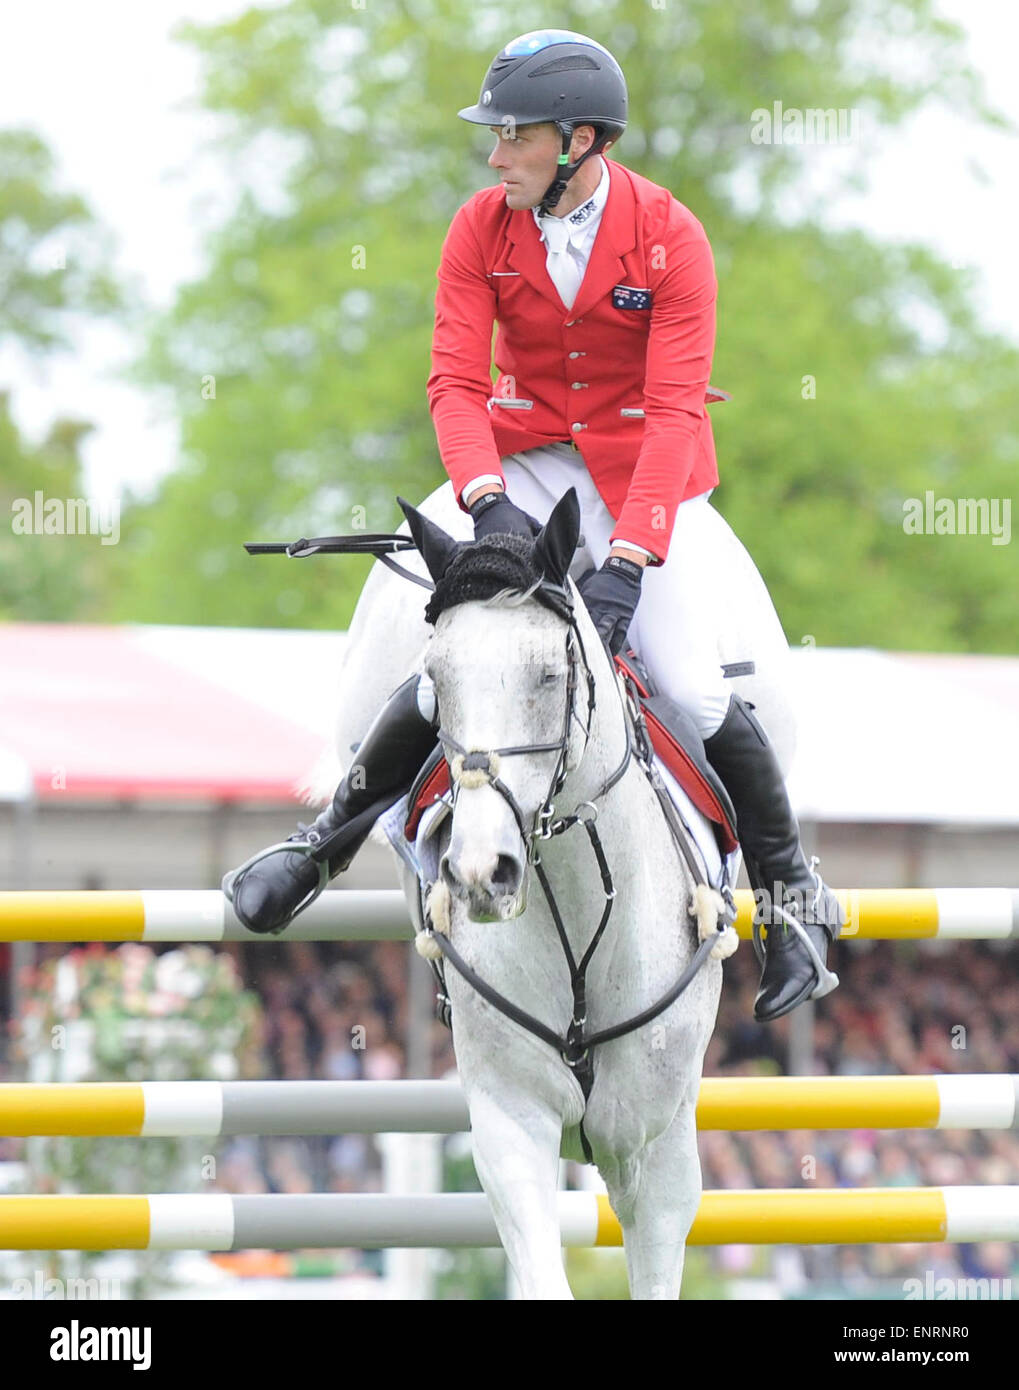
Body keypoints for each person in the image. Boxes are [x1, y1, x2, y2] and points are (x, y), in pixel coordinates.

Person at [223, 28, 842, 1022]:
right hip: (516, 463)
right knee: (449, 655)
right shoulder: (479, 227)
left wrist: (630, 560)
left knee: (686, 675)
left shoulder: (669, 235)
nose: (493, 152)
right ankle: (320, 843)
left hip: (647, 468)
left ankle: (788, 895)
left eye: (512, 134)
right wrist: (484, 498)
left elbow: (678, 412)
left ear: (578, 140)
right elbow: (455, 383)